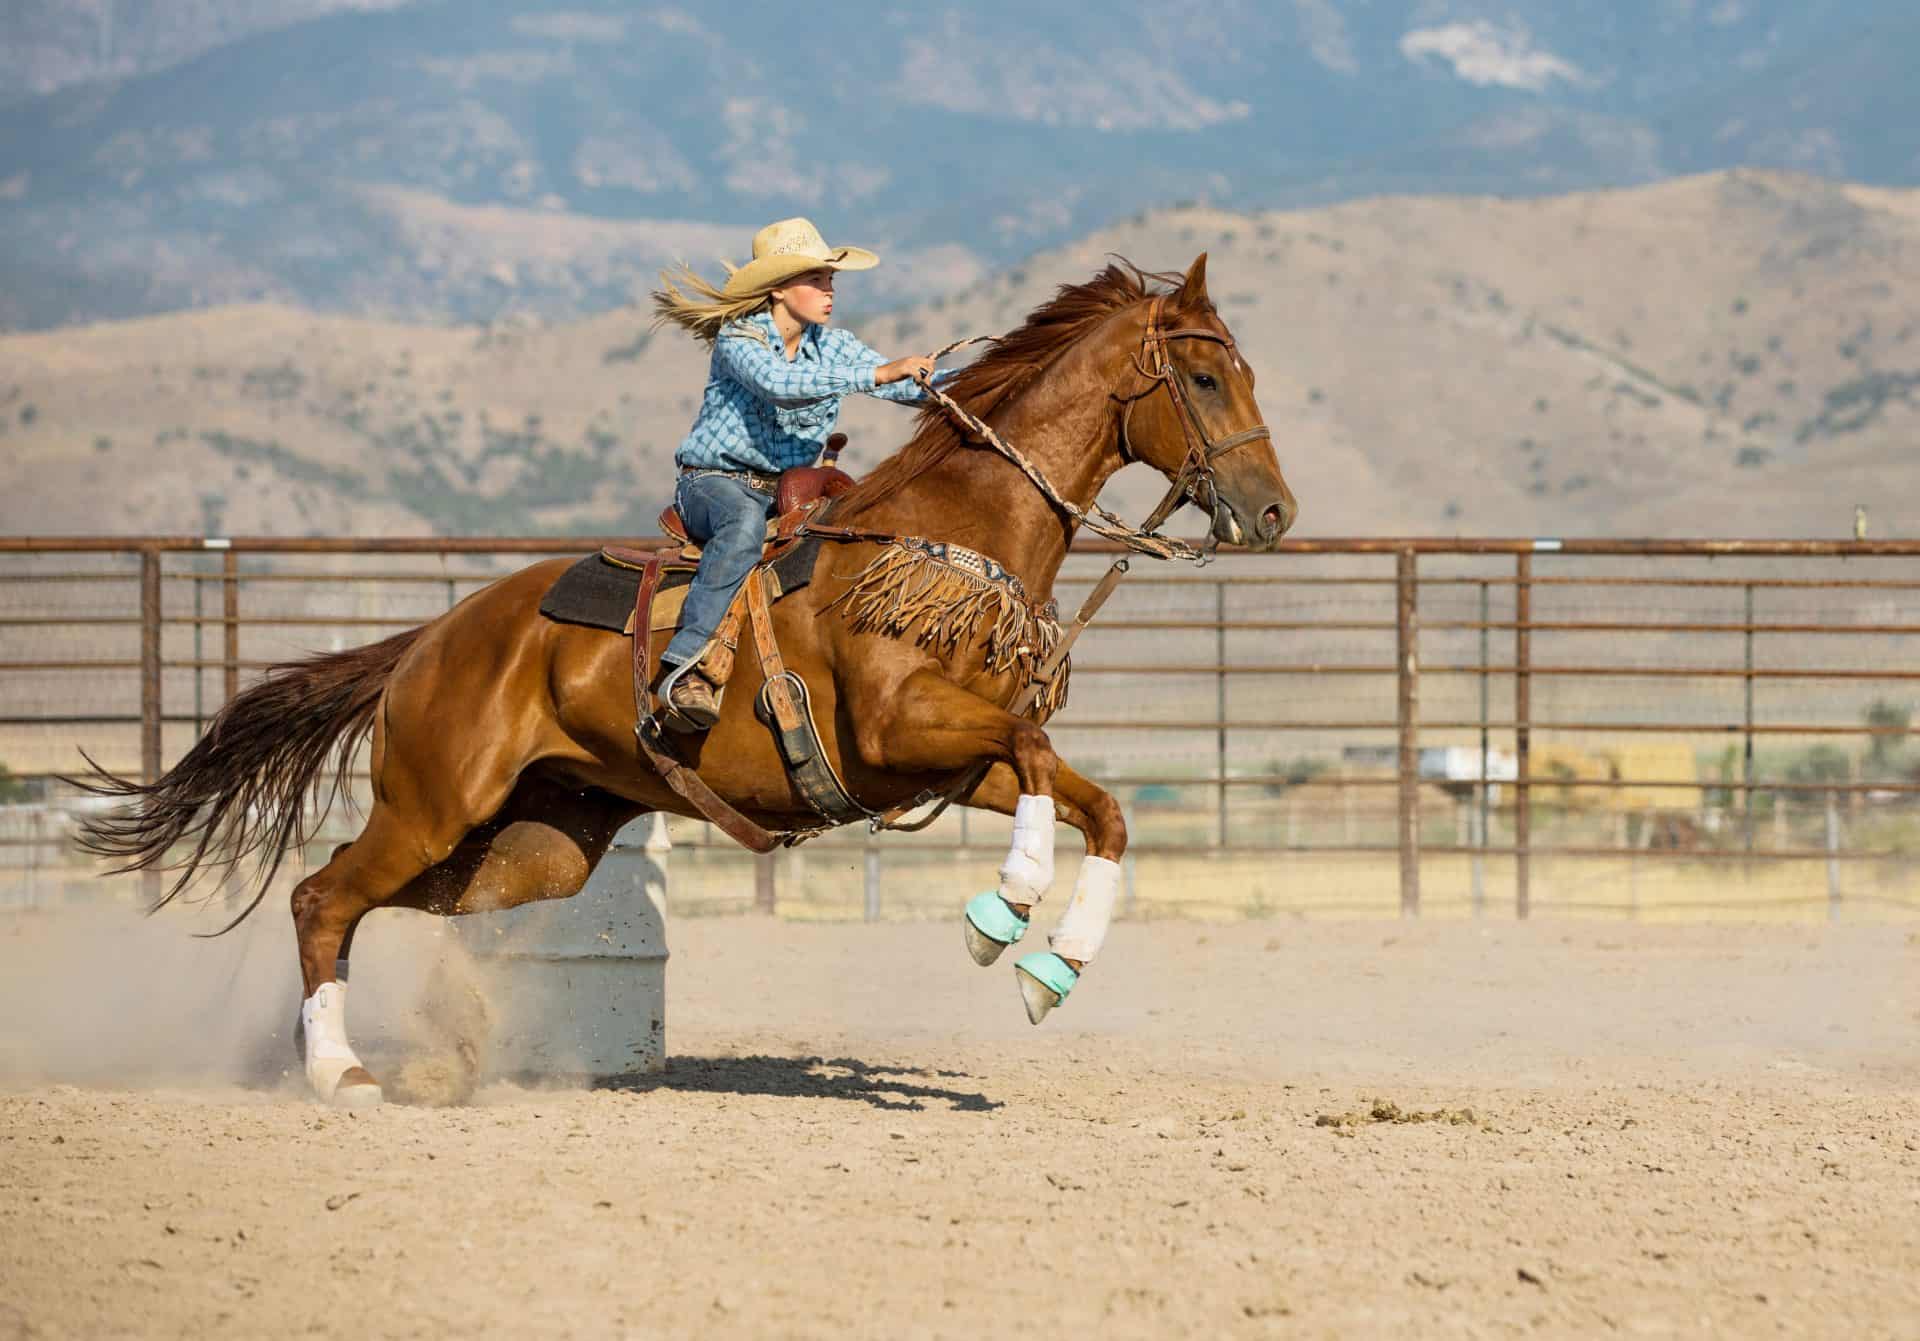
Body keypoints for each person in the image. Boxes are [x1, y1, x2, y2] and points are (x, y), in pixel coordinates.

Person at [648, 217, 949, 730]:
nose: (829, 291)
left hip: (788, 494)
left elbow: (907, 387)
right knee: (741, 528)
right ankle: (685, 667)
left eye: (831, 280)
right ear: (780, 289)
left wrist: (994, 379)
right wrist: (880, 372)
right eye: (817, 280)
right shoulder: (738, 338)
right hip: (713, 483)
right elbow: (781, 384)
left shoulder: (834, 346)